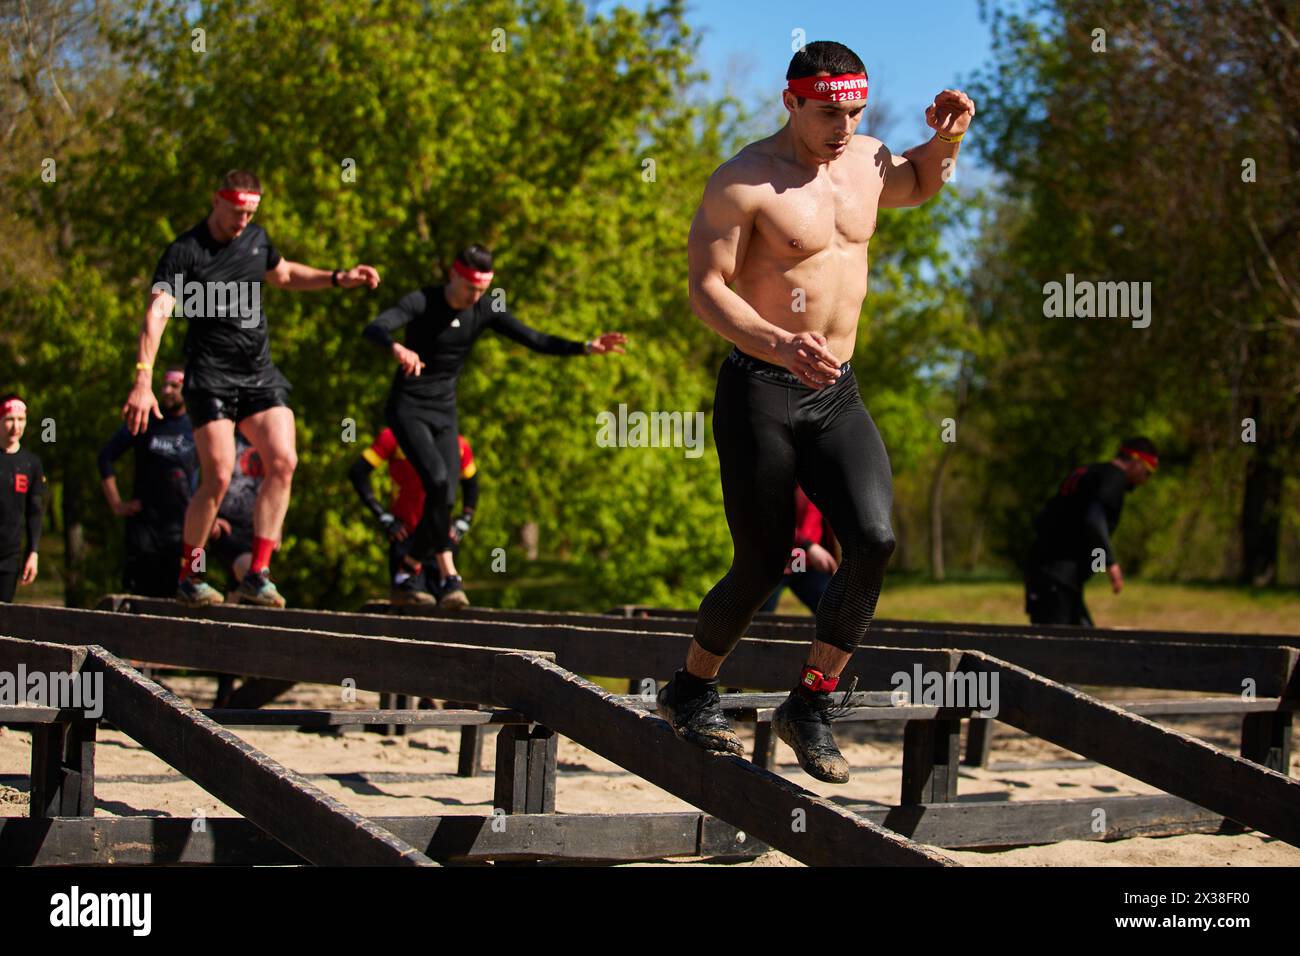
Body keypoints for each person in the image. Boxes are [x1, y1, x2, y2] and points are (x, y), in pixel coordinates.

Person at [657, 40, 976, 784]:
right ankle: (692, 688)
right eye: (828, 111)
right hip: (759, 389)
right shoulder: (743, 182)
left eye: (854, 111)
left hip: (836, 391)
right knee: (764, 560)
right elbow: (707, 289)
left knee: (874, 538)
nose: (843, 125)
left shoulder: (864, 161)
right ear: (791, 102)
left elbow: (920, 187)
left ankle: (811, 702)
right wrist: (776, 340)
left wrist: (947, 138)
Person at [121, 169, 380, 607]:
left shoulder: (257, 239)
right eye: (237, 212)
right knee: (219, 475)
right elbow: (157, 313)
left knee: (283, 460)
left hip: (259, 374)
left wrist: (338, 278)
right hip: (210, 377)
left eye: (250, 213)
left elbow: (285, 275)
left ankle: (257, 573)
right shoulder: (185, 252)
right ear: (216, 200)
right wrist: (143, 379)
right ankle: (190, 574)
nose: (242, 221)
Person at [362, 244, 626, 605]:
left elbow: (533, 338)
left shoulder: (485, 309)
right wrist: (397, 348)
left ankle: (408, 567)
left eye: (484, 291)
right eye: (472, 288)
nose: (477, 297)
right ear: (454, 275)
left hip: (444, 412)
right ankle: (444, 573)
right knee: (437, 481)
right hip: (408, 408)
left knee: (448, 495)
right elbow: (375, 327)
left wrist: (585, 347)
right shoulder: (422, 301)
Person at [1024, 438, 1158, 626]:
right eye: (1148, 472)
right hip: (1056, 574)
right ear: (1136, 461)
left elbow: (1053, 517)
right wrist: (1109, 564)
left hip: (1054, 573)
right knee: (1057, 646)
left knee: (1083, 637)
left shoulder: (1091, 471)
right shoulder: (1114, 477)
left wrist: (1096, 565)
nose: (1146, 480)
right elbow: (1094, 520)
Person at [349, 427, 479, 606]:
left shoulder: (457, 443)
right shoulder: (394, 436)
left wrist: (465, 519)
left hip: (441, 540)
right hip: (405, 537)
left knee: (447, 614)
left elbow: (471, 484)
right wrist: (383, 516)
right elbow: (358, 472)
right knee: (409, 611)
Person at [98, 367, 198, 597]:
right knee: (140, 595)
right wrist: (116, 504)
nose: (167, 391)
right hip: (145, 529)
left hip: (189, 530)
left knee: (193, 590)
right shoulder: (147, 419)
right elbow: (105, 457)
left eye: (174, 386)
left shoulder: (199, 427)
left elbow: (217, 473)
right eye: (164, 385)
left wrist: (214, 514)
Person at [758, 484, 837, 613]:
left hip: (809, 565)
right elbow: (776, 520)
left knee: (834, 612)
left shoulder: (823, 485)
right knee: (758, 621)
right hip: (777, 563)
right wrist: (808, 546)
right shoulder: (782, 481)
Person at [0, 394, 45, 602]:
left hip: (9, 557)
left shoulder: (31, 464)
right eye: (9, 419)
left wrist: (33, 552)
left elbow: (35, 512)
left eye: (21, 420)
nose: (15, 426)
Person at [208, 427, 264, 590]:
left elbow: (277, 486)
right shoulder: (223, 433)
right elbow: (197, 476)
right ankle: (194, 577)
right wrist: (209, 517)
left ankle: (230, 607)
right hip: (224, 525)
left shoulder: (268, 439)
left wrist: (277, 524)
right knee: (250, 575)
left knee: (238, 586)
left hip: (254, 528)